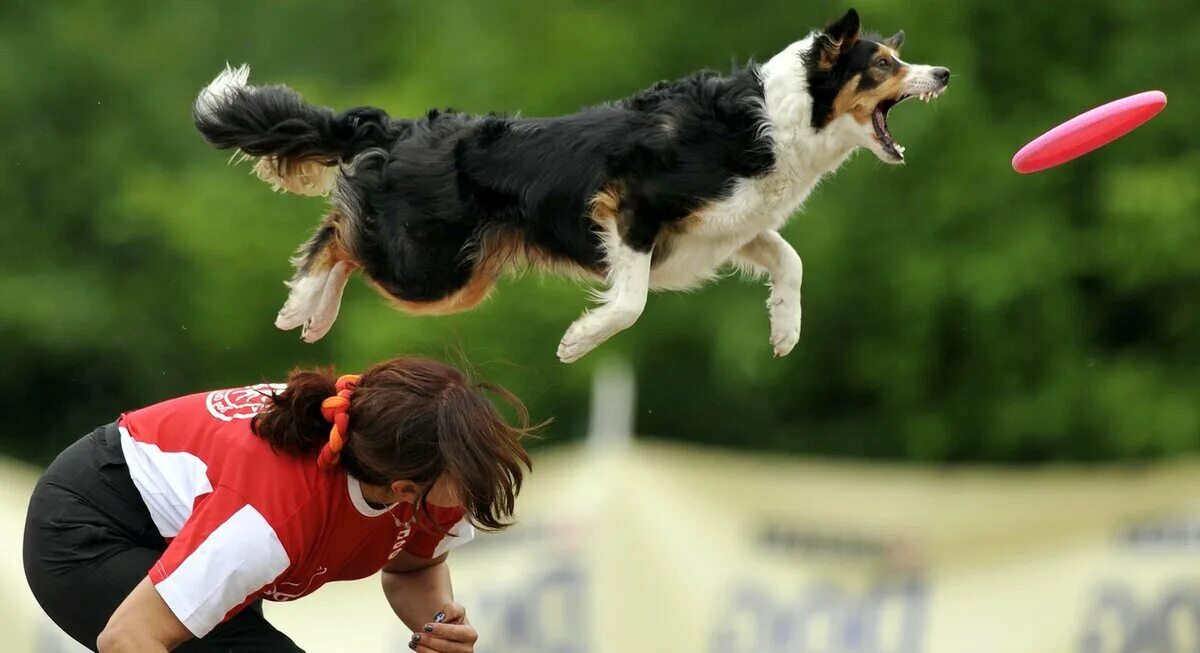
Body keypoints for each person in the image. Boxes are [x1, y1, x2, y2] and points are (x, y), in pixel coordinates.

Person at [23, 356, 535, 652]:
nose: (477, 488)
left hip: (187, 520)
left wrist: (437, 626)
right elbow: (129, 637)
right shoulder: (274, 516)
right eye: (469, 480)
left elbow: (410, 569)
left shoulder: (429, 473)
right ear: (402, 490)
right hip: (93, 525)